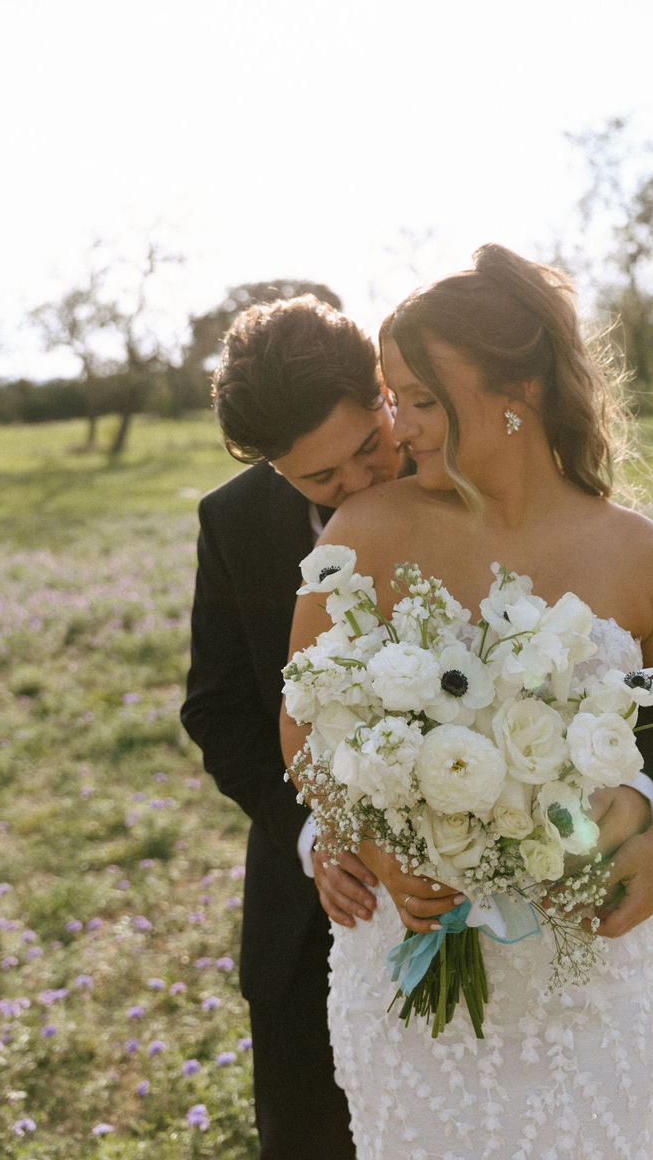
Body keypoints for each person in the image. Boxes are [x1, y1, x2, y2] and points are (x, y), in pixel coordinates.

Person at [281, 246, 653, 1160]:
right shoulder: (365, 532)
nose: (396, 426)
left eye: (420, 399)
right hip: (412, 958)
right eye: (393, 396)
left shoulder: (636, 551)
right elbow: (302, 727)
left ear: (515, 391)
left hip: (588, 973)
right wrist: (372, 843)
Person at [180, 295, 397, 1160]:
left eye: (368, 451)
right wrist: (310, 836)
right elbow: (218, 708)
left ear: (384, 390)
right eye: (320, 480)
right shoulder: (230, 523)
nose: (358, 488)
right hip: (313, 916)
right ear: (273, 466)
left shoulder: (464, 484)